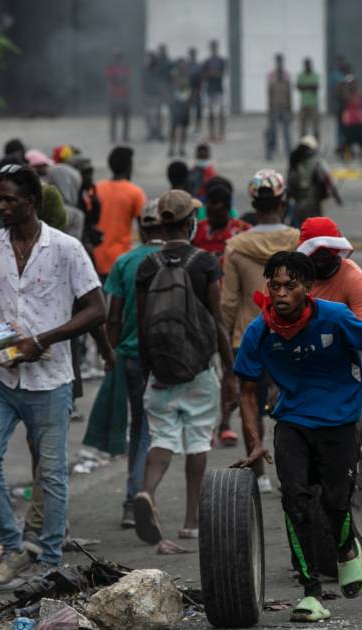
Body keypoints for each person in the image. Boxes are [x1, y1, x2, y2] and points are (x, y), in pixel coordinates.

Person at [232, 251, 362, 621]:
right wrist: (255, 440)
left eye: (290, 286)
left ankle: (345, 547)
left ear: (307, 289)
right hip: (293, 423)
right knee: (294, 501)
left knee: (336, 502)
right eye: (274, 286)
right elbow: (245, 390)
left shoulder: (336, 317)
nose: (281, 293)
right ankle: (310, 592)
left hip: (340, 422)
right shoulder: (259, 331)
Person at [0, 165, 106, 584]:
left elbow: (96, 309)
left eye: (9, 199)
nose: (0, 205)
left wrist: (43, 340)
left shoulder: (66, 248)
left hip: (50, 380)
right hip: (1, 377)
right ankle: (13, 548)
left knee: (50, 474)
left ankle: (48, 560)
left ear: (31, 203)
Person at [131, 190, 234, 549]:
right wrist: (231, 372)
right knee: (196, 441)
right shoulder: (205, 262)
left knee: (161, 438)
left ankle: (146, 492)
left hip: (161, 369)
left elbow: (143, 325)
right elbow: (218, 320)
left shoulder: (147, 266)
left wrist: (149, 371)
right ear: (191, 223)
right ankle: (191, 521)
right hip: (199, 370)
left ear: (160, 224)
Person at [221, 170, 301, 491]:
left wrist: (225, 345)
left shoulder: (236, 246)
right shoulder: (298, 240)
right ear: (283, 201)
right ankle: (290, 471)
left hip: (248, 337)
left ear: (253, 202)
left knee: (249, 402)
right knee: (292, 404)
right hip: (292, 335)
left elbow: (229, 301)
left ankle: (258, 473)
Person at [98, 200, 165, 529]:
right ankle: (137, 497)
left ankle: (135, 497)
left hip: (131, 356)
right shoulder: (174, 260)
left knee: (139, 425)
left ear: (142, 229)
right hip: (167, 358)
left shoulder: (125, 262)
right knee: (150, 429)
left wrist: (110, 353)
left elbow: (112, 315)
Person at [296, 217, 362, 324]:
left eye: (324, 257)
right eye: (314, 258)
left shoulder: (355, 280)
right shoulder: (288, 275)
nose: (319, 263)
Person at [93, 147, 147, 277]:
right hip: (121, 261)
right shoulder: (135, 192)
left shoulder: (97, 188)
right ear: (129, 166)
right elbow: (144, 228)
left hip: (95, 259)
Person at [287, 135, 341, 229]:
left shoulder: (295, 161)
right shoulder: (318, 162)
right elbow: (328, 181)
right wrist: (336, 197)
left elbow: (289, 186)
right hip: (314, 205)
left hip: (297, 206)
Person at [193, 179, 251, 260]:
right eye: (210, 215)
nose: (213, 220)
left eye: (218, 216)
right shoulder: (197, 230)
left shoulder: (244, 230)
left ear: (228, 210)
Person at [267, 54, 293, 162]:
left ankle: (289, 152)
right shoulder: (272, 75)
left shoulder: (286, 75)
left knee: (287, 132)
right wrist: (269, 109)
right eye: (278, 61)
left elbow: (289, 94)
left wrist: (290, 109)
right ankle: (271, 152)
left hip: (285, 108)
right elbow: (269, 94)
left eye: (280, 61)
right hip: (275, 108)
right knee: (273, 132)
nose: (279, 63)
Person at [203, 39, 228, 142]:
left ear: (217, 48)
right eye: (212, 47)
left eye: (215, 46)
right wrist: (213, 73)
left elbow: (222, 74)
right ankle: (212, 134)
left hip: (219, 89)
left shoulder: (221, 61)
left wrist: (212, 73)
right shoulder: (207, 61)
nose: (213, 48)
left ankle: (221, 134)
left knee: (221, 112)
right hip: (210, 89)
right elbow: (204, 75)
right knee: (210, 113)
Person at [339, 76, 362, 163]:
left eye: (353, 83)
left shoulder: (360, 93)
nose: (352, 85)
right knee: (348, 141)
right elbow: (343, 102)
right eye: (350, 84)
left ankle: (361, 158)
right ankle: (348, 157)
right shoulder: (346, 95)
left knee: (361, 141)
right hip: (348, 120)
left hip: (358, 119)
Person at [168, 57, 192, 157]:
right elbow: (170, 89)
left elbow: (189, 90)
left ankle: (181, 148)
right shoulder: (174, 77)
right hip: (176, 104)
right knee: (174, 128)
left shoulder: (187, 77)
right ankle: (172, 148)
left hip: (184, 104)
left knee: (184, 128)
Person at [106, 51, 132, 142]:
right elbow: (109, 81)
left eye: (119, 57)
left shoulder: (125, 68)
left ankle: (125, 136)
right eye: (117, 57)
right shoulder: (111, 68)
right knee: (114, 118)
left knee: (125, 118)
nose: (118, 59)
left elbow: (128, 80)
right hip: (115, 96)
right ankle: (113, 136)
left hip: (123, 96)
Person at [296, 58, 320, 140]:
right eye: (305, 64)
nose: (307, 66)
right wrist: (310, 86)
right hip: (303, 105)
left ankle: (316, 146)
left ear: (311, 65)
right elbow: (299, 87)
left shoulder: (315, 75)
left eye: (308, 64)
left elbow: (316, 88)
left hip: (314, 105)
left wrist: (305, 86)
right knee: (302, 129)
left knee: (316, 128)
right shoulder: (300, 75)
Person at [187, 47, 204, 135]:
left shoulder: (198, 66)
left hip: (197, 91)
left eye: (193, 54)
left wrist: (199, 89)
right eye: (191, 54)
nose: (192, 55)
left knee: (198, 111)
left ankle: (197, 128)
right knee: (188, 111)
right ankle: (188, 127)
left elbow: (201, 79)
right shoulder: (187, 65)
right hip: (188, 92)